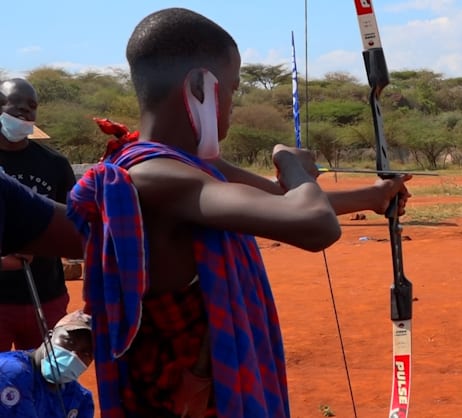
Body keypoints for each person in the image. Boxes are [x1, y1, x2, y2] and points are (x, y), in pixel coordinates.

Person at [68, 7, 411, 418]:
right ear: (200, 86)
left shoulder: (186, 167)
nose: (231, 102)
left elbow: (276, 202)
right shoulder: (160, 178)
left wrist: (375, 196)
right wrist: (295, 167)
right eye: (232, 88)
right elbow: (311, 223)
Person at [0, 78, 78, 350]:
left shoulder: (55, 164)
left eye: (31, 107)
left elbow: (74, 221)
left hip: (45, 296)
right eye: (15, 105)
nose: (24, 112)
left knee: (45, 380)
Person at [0, 310, 95, 417]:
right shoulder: (9, 371)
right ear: (49, 336)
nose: (74, 355)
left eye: (86, 353)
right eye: (70, 342)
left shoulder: (81, 400)